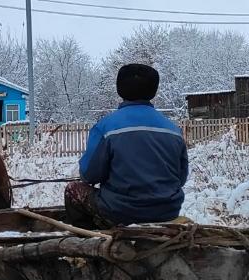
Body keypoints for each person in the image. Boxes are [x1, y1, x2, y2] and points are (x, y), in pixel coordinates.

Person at [64, 63, 188, 228]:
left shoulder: (106, 127)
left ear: (119, 88)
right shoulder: (172, 130)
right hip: (167, 210)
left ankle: (90, 240)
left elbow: (89, 175)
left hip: (120, 210)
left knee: (73, 190)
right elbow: (181, 177)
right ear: (154, 90)